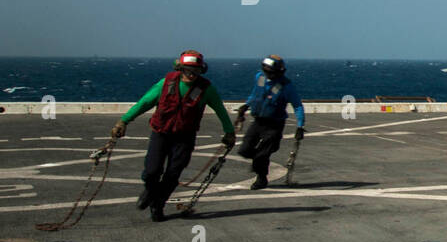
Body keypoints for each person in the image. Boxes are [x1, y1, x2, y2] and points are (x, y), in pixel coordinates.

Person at [112, 50, 236, 221]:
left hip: (185, 138)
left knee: (172, 174)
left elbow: (221, 111)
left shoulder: (206, 89)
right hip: (161, 134)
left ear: (202, 70)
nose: (191, 74)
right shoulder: (166, 84)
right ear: (180, 68)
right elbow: (144, 103)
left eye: (196, 71)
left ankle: (158, 205)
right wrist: (123, 121)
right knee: (151, 171)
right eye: (188, 70)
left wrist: (229, 132)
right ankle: (150, 190)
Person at [235, 54, 305, 189]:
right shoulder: (259, 78)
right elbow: (255, 94)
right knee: (244, 150)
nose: (268, 75)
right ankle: (259, 162)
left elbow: (297, 105)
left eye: (271, 73)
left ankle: (261, 178)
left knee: (262, 154)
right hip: (258, 121)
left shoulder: (286, 86)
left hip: (274, 124)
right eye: (266, 72)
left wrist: (300, 126)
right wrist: (246, 106)